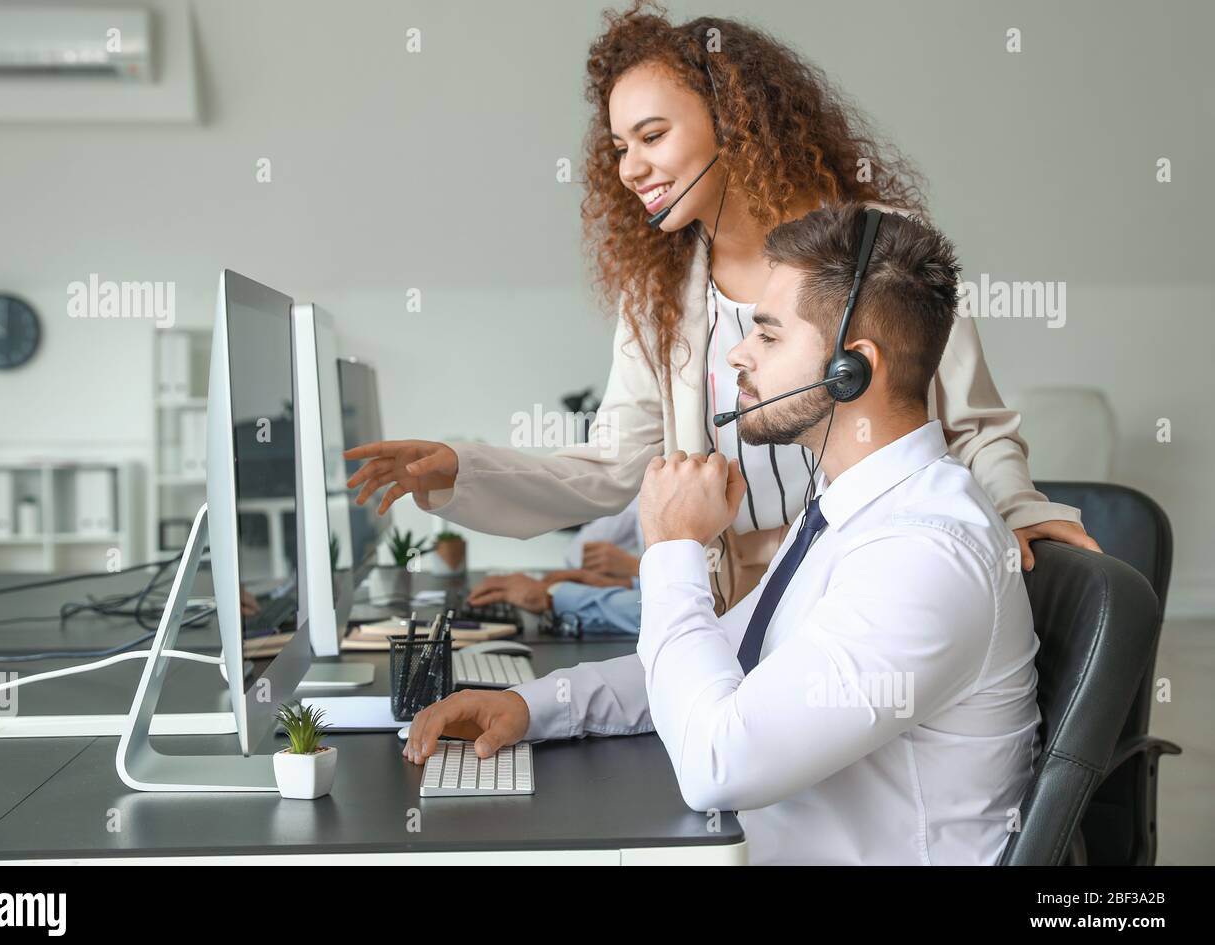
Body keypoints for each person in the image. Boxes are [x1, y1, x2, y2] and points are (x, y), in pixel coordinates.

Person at [345, 4, 1097, 613]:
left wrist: (1021, 509)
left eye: (652, 135)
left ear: (733, 122)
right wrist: (458, 470)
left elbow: (972, 425)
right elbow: (612, 467)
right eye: (617, 146)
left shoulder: (876, 248)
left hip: (873, 570)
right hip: (731, 593)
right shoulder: (659, 293)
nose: (629, 167)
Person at [401, 206, 1042, 865]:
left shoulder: (921, 552)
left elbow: (719, 762)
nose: (737, 353)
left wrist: (674, 546)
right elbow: (721, 662)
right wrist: (531, 707)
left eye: (767, 336)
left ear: (852, 369)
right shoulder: (848, 512)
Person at [469, 496, 643, 634]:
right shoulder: (649, 480)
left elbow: (658, 607)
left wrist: (551, 598)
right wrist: (621, 584)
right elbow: (577, 553)